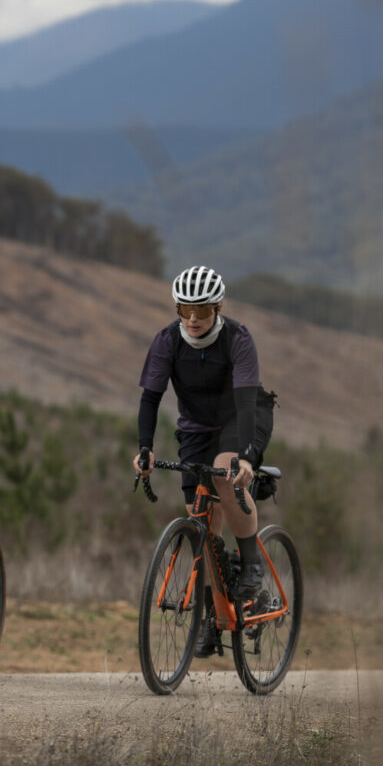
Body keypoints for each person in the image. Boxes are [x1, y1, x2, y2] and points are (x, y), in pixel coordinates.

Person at [132, 264, 276, 657]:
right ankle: (210, 619)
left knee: (226, 475)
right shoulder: (167, 341)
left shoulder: (237, 338)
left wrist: (246, 456)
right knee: (202, 526)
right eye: (184, 310)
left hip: (241, 420)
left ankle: (251, 564)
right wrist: (145, 448)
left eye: (202, 310)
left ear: (218, 307)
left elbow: (246, 401)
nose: (192, 319)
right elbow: (150, 398)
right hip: (195, 428)